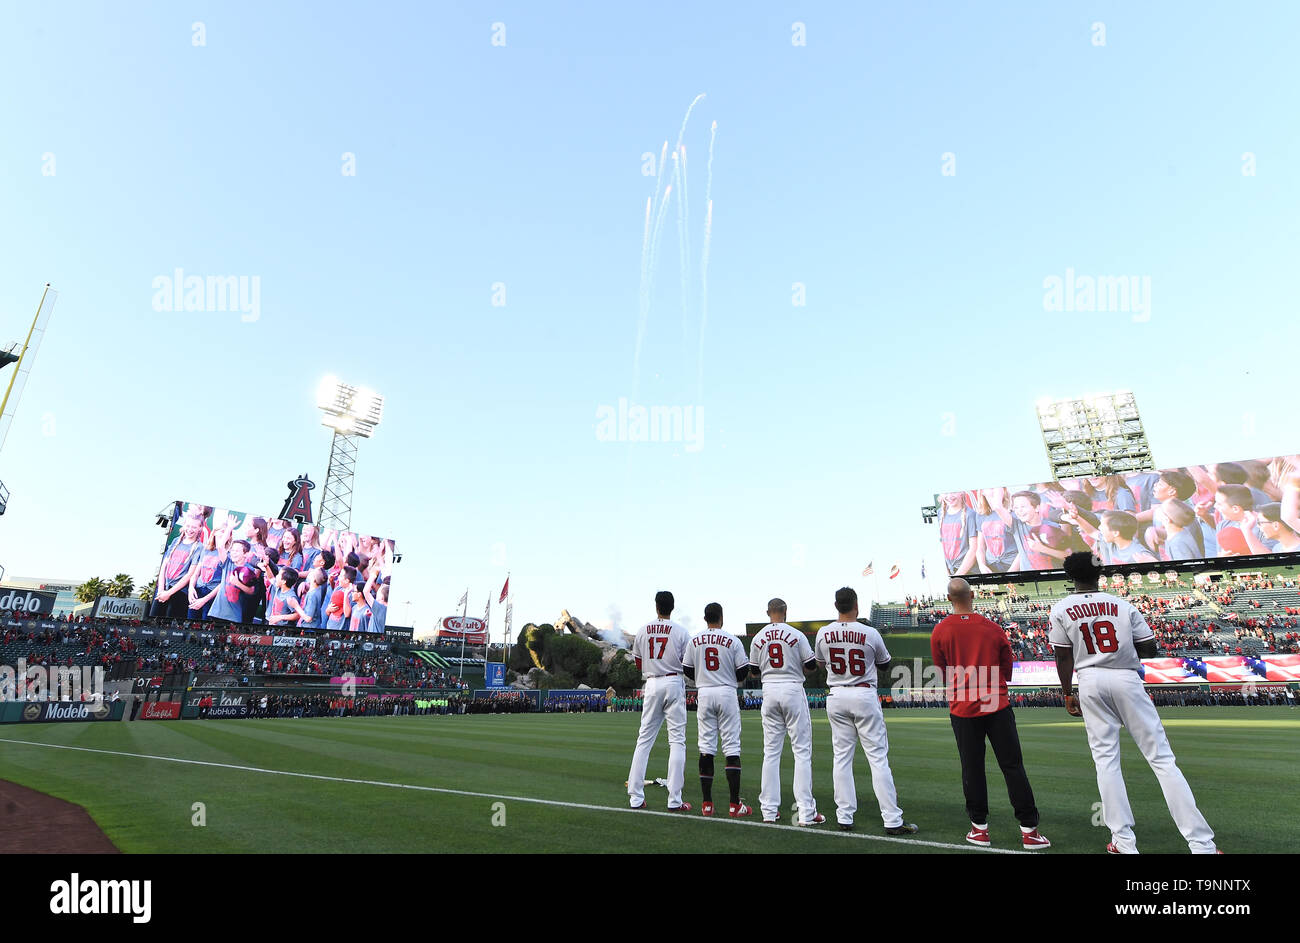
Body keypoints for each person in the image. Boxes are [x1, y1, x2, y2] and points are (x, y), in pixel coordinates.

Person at [1050, 551, 1218, 854]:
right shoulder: (1121, 604)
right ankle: (1201, 845)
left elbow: (1062, 656)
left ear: (1070, 577)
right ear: (1099, 575)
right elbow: (1150, 648)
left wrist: (1066, 693)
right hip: (1125, 676)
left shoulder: (1061, 607)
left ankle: (1124, 843)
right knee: (1162, 760)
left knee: (1106, 762)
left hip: (1088, 680)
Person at [930, 578, 1048, 849]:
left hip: (962, 706)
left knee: (972, 768)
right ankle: (1029, 831)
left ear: (949, 599)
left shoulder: (940, 630)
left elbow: (942, 672)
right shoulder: (993, 628)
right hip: (995, 704)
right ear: (972, 595)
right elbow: (1007, 670)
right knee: (1012, 766)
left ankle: (979, 829)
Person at [815, 587, 916, 835]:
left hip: (837, 695)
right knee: (878, 759)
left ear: (836, 605)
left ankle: (844, 816)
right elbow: (884, 664)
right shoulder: (869, 632)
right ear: (856, 605)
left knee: (841, 758)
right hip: (863, 694)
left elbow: (819, 663)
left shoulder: (823, 633)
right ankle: (892, 820)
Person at [749, 598, 822, 826]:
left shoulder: (758, 637)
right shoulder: (796, 635)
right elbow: (810, 666)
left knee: (770, 752)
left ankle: (769, 812)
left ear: (768, 612)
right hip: (792, 688)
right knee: (801, 752)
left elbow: (752, 672)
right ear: (785, 612)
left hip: (769, 690)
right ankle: (806, 813)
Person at [682, 602, 751, 817]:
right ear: (721, 618)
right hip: (726, 692)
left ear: (705, 618)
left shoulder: (695, 640)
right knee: (731, 747)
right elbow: (742, 672)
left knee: (706, 747)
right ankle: (733, 805)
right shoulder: (732, 640)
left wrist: (704, 676)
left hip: (704, 692)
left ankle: (707, 804)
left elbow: (686, 669)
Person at [626, 591, 692, 811]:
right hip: (674, 682)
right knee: (677, 741)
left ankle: (635, 797)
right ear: (672, 607)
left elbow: (638, 662)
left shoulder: (643, 630)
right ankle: (674, 800)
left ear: (656, 606)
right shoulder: (681, 631)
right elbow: (688, 665)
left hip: (652, 683)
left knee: (643, 740)